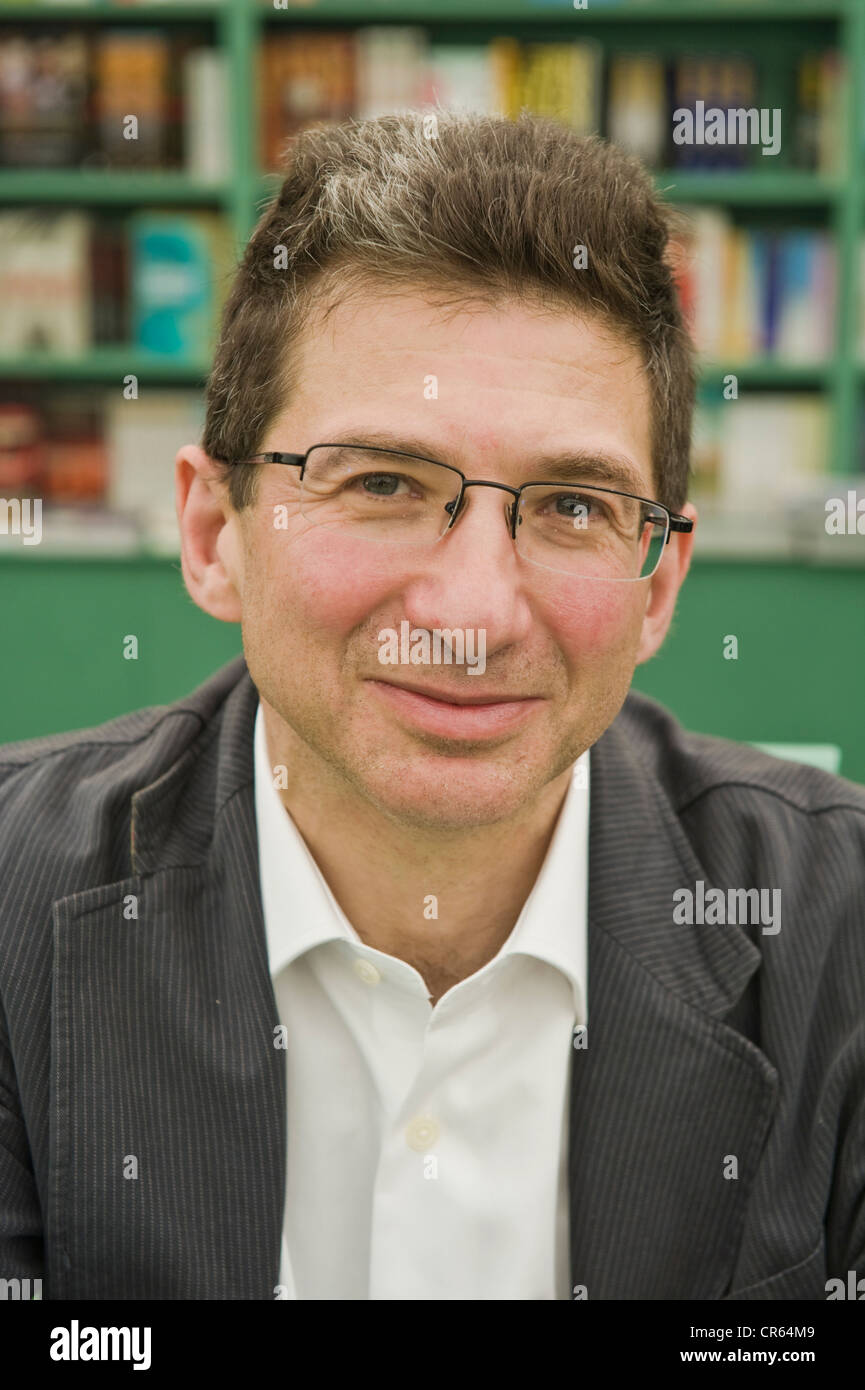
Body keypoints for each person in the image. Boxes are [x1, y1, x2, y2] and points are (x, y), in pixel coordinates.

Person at [1, 112, 863, 1301]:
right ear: (214, 537)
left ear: (657, 582)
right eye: (386, 483)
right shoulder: (11, 902)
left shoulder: (842, 927)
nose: (474, 611)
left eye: (570, 507)